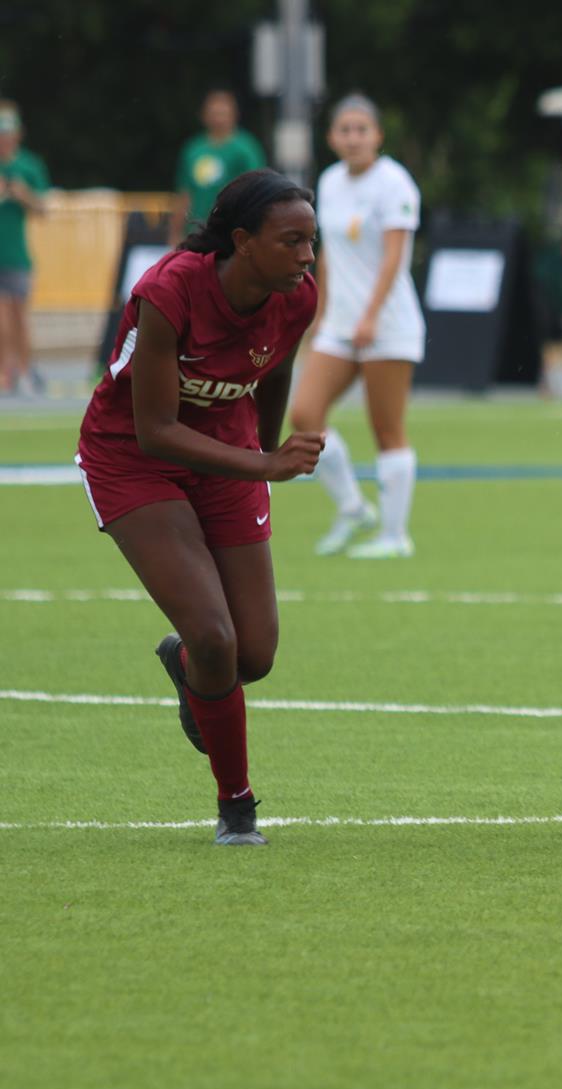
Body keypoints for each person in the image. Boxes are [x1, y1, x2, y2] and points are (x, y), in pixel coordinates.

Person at [74, 170, 324, 845]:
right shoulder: (168, 289)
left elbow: (274, 371)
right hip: (132, 456)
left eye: (312, 240)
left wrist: (263, 454)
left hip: (229, 451)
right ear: (241, 240)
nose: (307, 257)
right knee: (217, 637)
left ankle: (186, 668)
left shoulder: (296, 296)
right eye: (291, 241)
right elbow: (154, 428)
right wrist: (265, 464)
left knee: (256, 653)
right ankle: (236, 808)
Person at [289, 94, 426, 559]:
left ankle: (394, 535)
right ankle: (351, 507)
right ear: (331, 138)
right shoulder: (328, 182)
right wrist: (320, 311)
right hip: (341, 323)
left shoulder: (394, 184)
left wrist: (370, 316)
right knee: (305, 415)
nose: (353, 138)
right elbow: (327, 254)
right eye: (344, 130)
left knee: (386, 427)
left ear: (377, 136)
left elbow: (394, 256)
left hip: (387, 324)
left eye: (361, 129)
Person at [0, 101, 50, 395]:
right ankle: (7, 372)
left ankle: (25, 369)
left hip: (17, 255)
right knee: (2, 317)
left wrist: (22, 194)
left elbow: (42, 208)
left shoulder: (29, 165)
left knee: (20, 317)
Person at [172, 90, 267, 240]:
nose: (218, 118)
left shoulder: (246, 149)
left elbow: (256, 191)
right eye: (214, 113)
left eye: (223, 113)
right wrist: (175, 233)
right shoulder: (193, 149)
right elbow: (185, 194)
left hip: (233, 232)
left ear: (234, 114)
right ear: (204, 115)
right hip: (197, 232)